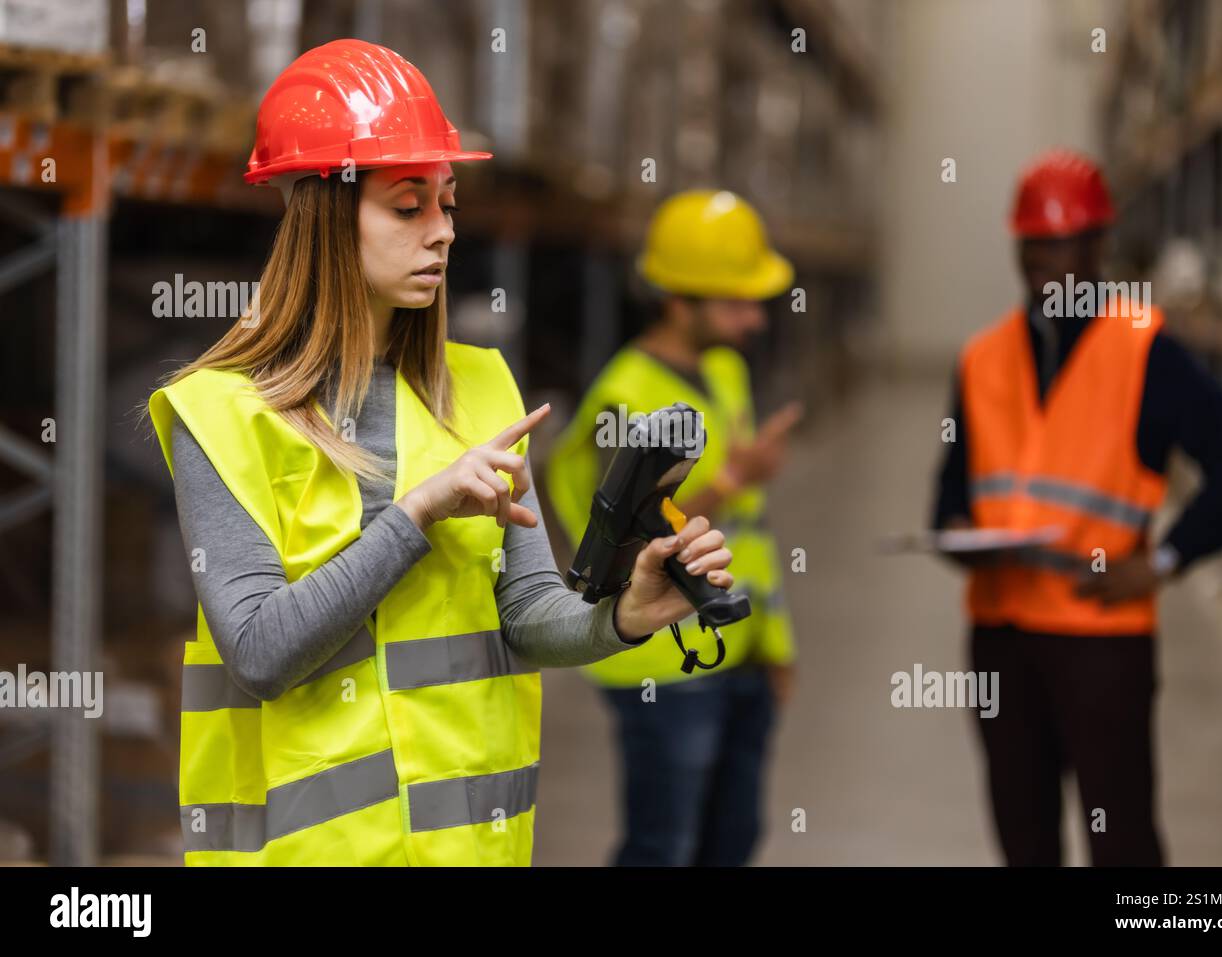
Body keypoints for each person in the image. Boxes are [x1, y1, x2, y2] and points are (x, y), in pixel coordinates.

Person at [146, 39, 737, 866]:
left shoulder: (482, 390)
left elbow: (525, 617)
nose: (443, 233)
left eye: (448, 204)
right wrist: (418, 511)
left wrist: (623, 615)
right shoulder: (219, 413)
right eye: (407, 205)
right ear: (323, 213)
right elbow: (260, 655)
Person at [931, 149, 1222, 866]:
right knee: (1022, 836)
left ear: (1097, 247)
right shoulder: (982, 358)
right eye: (1031, 244)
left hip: (1100, 637)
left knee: (1120, 842)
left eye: (1059, 243)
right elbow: (951, 487)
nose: (1041, 262)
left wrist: (1163, 561)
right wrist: (956, 529)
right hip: (1000, 635)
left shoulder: (1145, 352)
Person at [547, 190, 802, 866]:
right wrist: (730, 480)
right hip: (662, 659)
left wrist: (774, 642)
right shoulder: (626, 399)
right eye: (736, 301)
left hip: (735, 641)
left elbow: (751, 532)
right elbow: (629, 542)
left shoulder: (724, 369)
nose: (754, 318)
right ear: (679, 301)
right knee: (663, 847)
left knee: (733, 838)